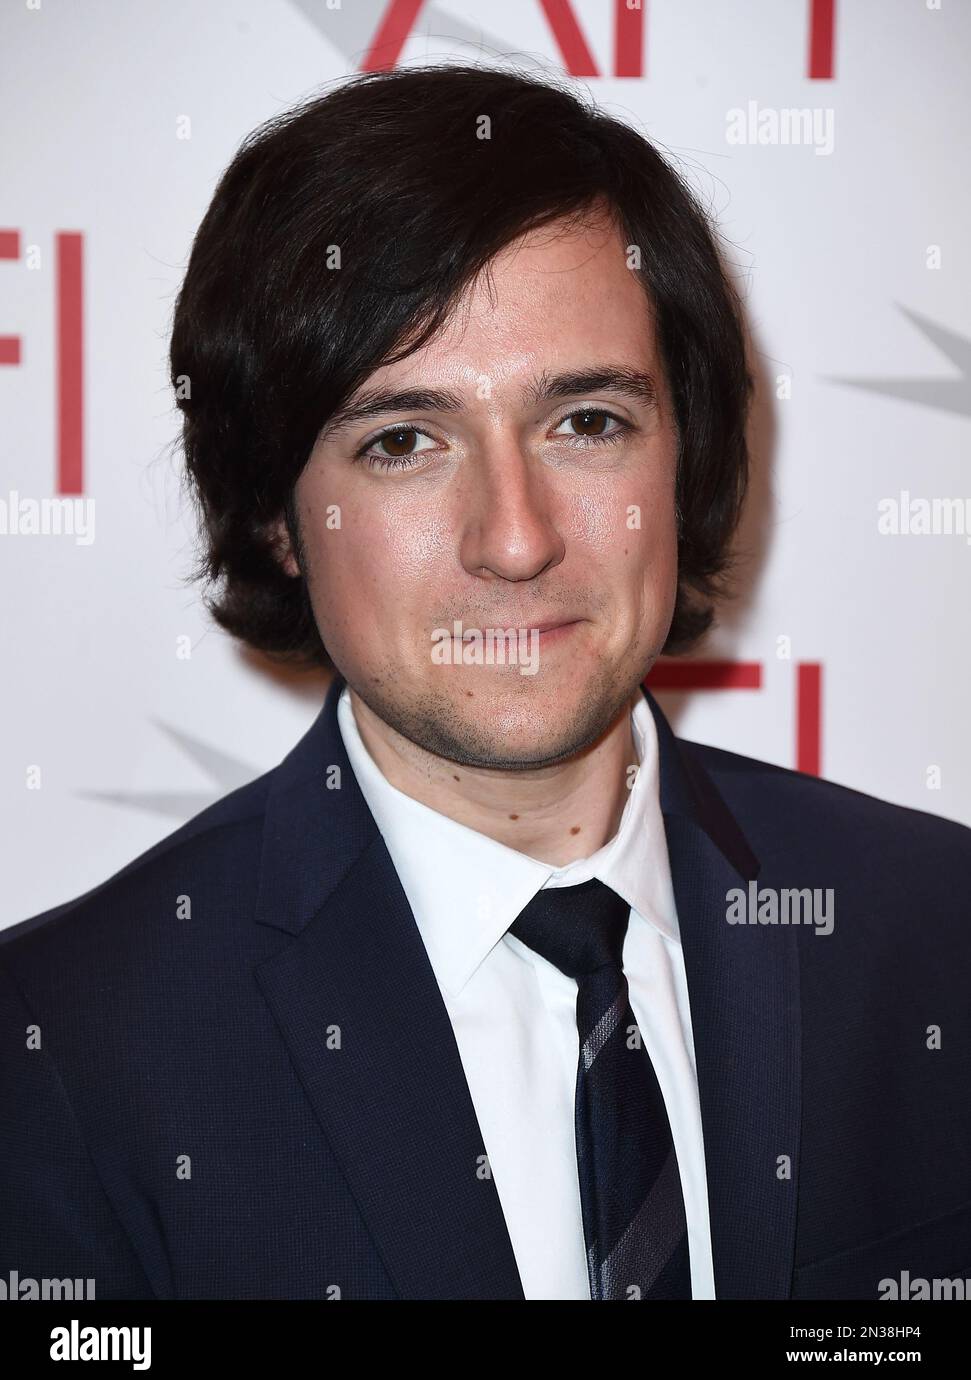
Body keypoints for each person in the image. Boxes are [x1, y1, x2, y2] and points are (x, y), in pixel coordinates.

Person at [2, 64, 969, 1302]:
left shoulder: (934, 932)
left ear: (690, 456)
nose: (513, 539)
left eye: (586, 423)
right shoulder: (59, 1053)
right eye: (402, 441)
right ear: (278, 516)